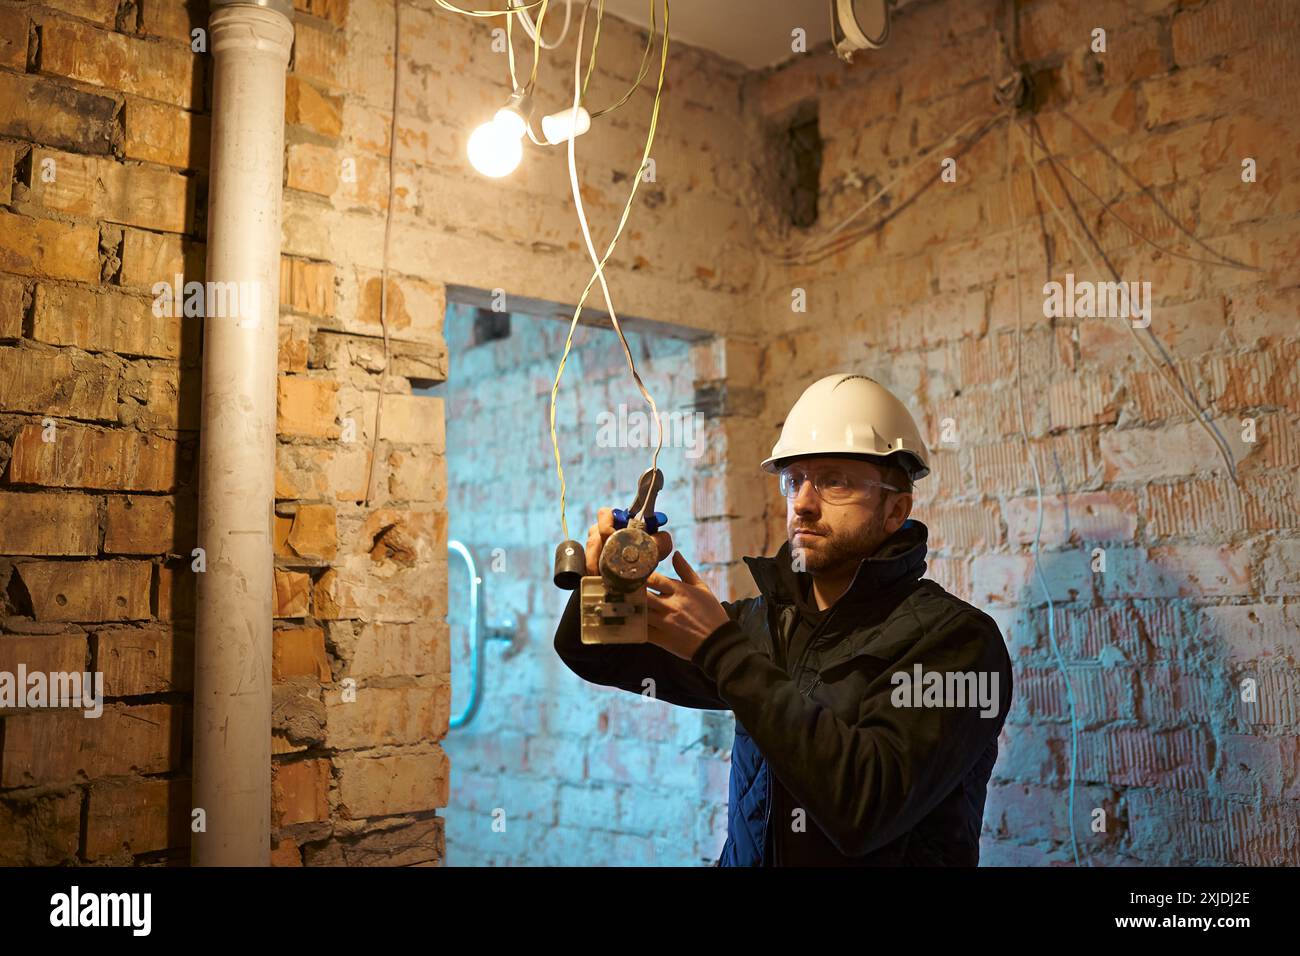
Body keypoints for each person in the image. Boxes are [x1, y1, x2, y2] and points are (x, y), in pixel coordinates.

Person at [553, 372, 1013, 865]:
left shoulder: (960, 644)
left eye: (834, 481)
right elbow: (595, 652)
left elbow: (865, 808)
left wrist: (720, 650)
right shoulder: (763, 625)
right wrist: (608, 583)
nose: (804, 503)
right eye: (794, 480)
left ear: (895, 509)